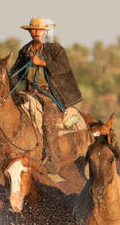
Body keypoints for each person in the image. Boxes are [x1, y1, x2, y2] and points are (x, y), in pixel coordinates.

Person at [9, 16, 86, 167]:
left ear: (45, 31)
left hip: (50, 94)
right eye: (33, 30)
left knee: (49, 119)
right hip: (30, 92)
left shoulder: (55, 48)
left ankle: (52, 159)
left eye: (39, 30)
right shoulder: (25, 51)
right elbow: (15, 73)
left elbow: (63, 67)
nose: (36, 32)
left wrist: (43, 63)